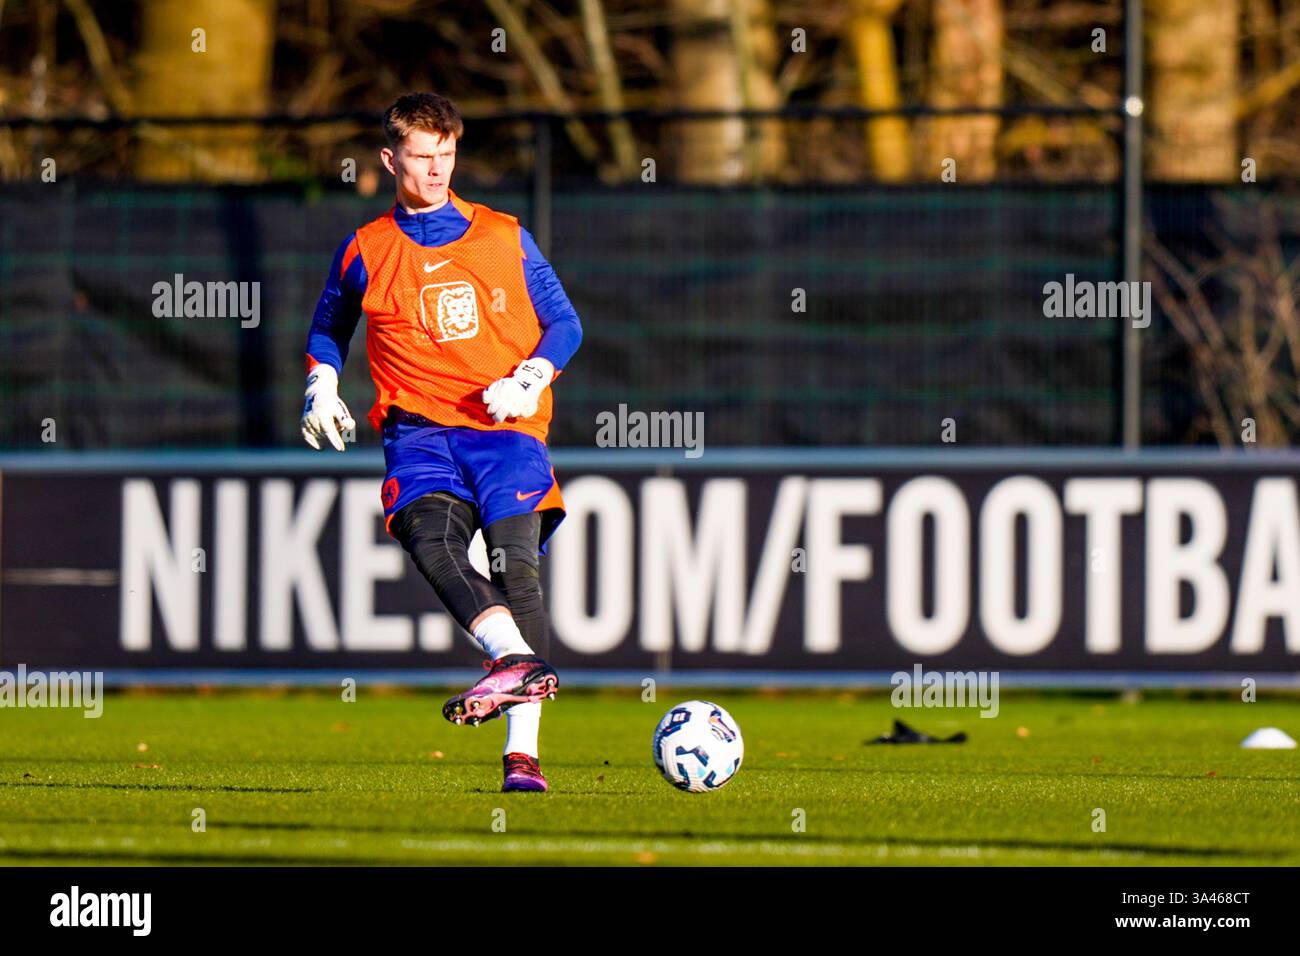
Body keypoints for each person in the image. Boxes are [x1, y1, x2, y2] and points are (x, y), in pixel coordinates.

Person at [300, 92, 582, 793]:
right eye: (422, 157)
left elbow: (566, 324)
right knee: (429, 541)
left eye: (447, 154)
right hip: (419, 433)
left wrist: (532, 374)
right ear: (390, 158)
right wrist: (321, 385)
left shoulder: (504, 234)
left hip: (505, 429)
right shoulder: (367, 247)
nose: (436, 169)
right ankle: (511, 662)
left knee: (517, 567)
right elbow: (328, 327)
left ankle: (523, 755)